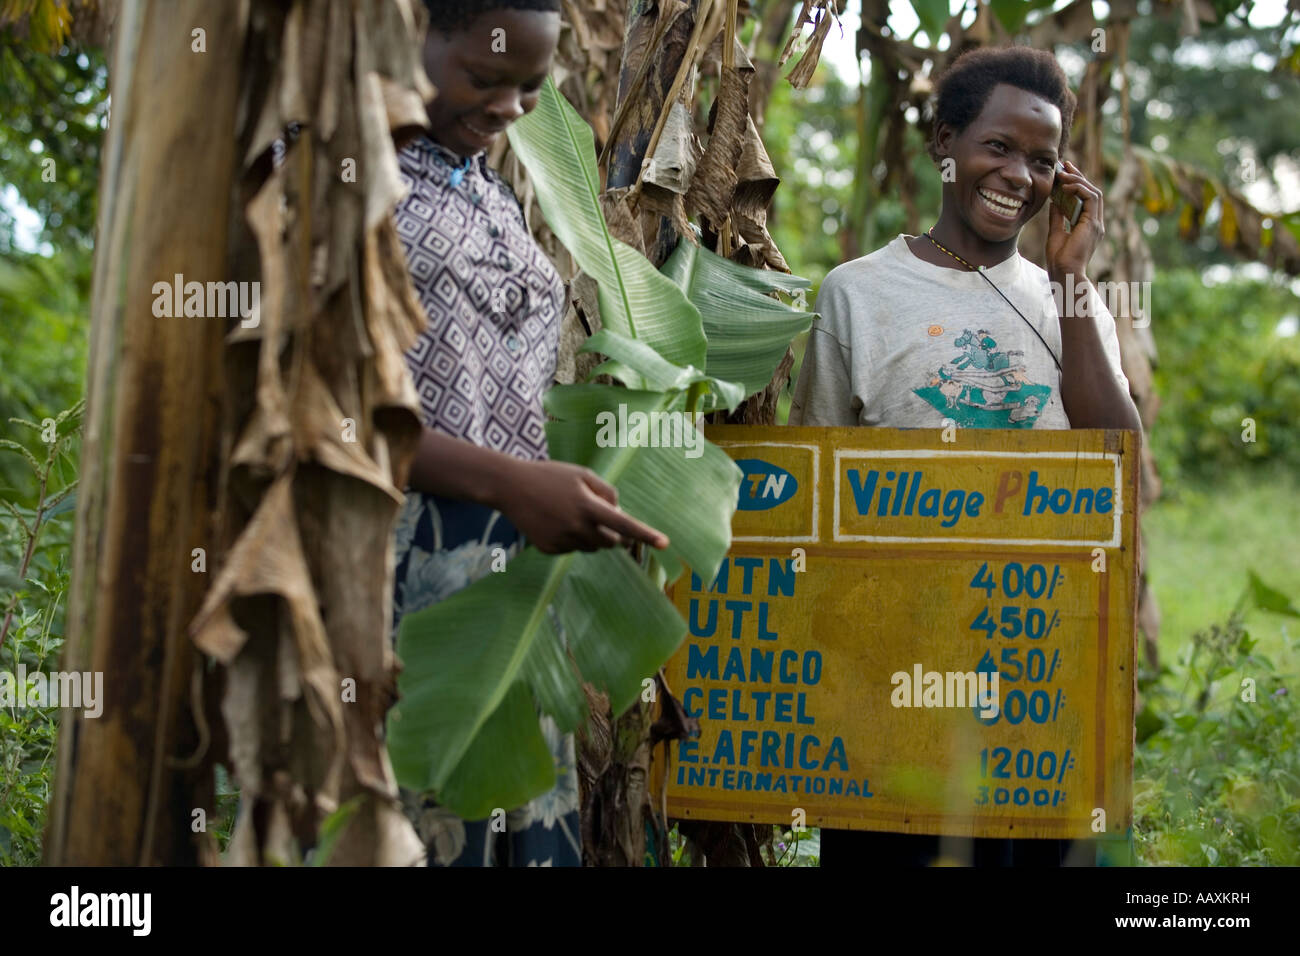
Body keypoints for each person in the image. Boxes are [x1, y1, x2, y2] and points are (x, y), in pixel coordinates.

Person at [790, 45, 1141, 865]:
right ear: (945, 144)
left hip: (1041, 655)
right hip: (896, 664)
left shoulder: (1070, 298)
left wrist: (1068, 280)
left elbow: (1115, 450)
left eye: (1044, 160)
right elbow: (818, 482)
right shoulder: (857, 293)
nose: (1020, 174)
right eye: (999, 147)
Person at [390, 0, 669, 867]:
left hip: (512, 588)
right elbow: (317, 412)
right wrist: (511, 485)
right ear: (408, 39)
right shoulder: (336, 172)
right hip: (397, 567)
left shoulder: (484, 185)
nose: (509, 107)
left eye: (531, 88)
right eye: (484, 77)